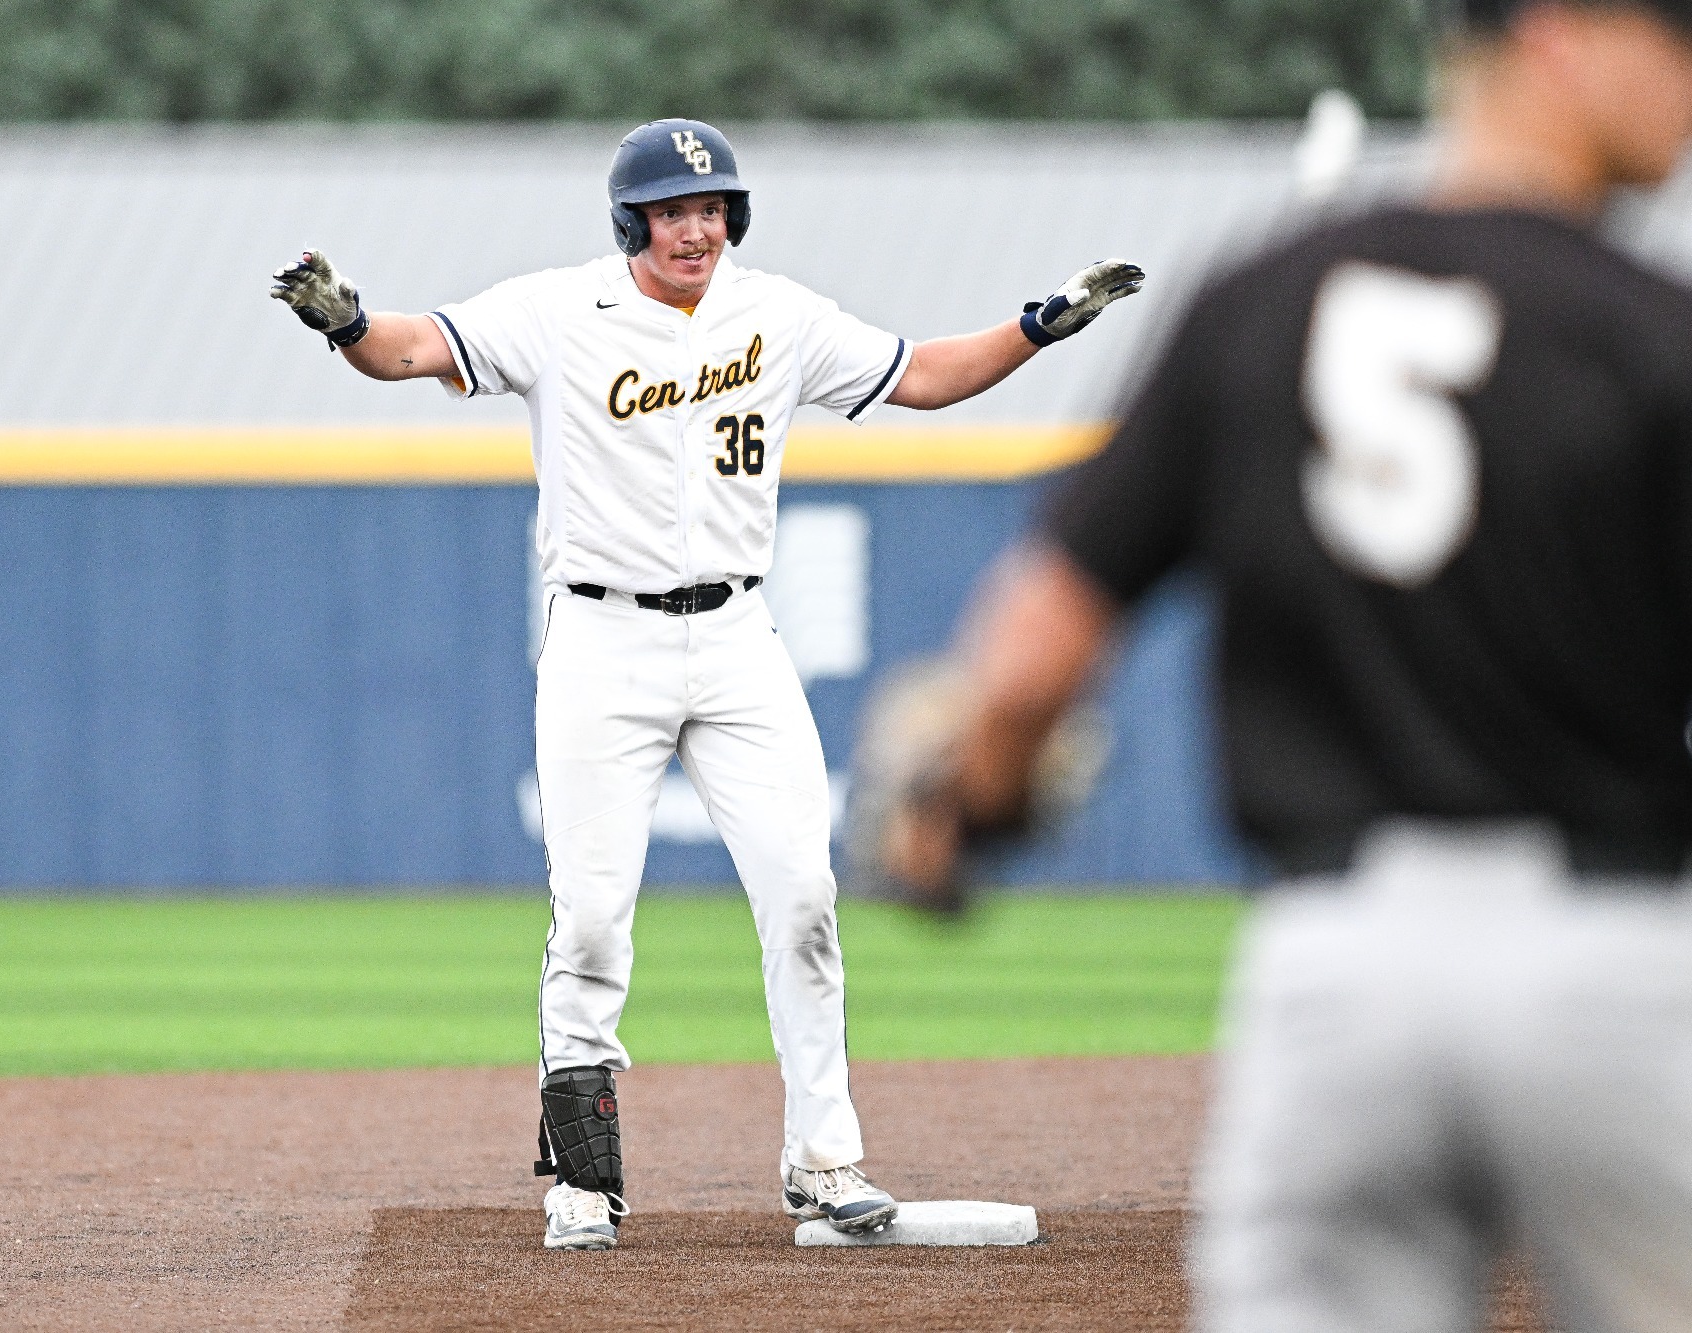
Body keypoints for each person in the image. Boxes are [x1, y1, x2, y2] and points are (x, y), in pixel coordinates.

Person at [883, 0, 1692, 1326]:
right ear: (1556, 35)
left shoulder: (1261, 298)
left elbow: (1029, 660)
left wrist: (965, 802)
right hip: (1611, 965)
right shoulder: (1653, 330)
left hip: (1339, 974)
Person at [269, 119, 1143, 1250]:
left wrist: (1040, 324)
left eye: (713, 207)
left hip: (736, 636)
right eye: (673, 211)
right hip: (600, 638)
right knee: (591, 918)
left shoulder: (775, 315)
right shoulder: (558, 310)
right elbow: (412, 350)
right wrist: (344, 322)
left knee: (805, 894)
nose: (696, 228)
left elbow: (924, 377)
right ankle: (584, 1181)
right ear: (630, 221)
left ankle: (824, 1162)